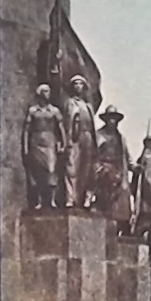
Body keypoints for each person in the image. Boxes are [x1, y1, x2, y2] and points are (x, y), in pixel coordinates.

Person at [22, 84, 66, 209]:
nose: (48, 93)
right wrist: (25, 147)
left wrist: (63, 143)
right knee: (37, 172)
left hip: (50, 142)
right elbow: (26, 130)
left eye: (49, 91)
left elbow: (61, 128)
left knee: (51, 170)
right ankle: (39, 201)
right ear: (40, 93)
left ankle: (52, 200)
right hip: (36, 142)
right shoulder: (33, 111)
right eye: (45, 91)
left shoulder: (54, 111)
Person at [94, 106, 134, 233]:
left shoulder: (121, 138)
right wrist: (99, 168)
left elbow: (126, 156)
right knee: (104, 200)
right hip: (104, 170)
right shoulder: (99, 135)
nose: (112, 121)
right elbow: (93, 154)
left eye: (115, 119)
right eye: (110, 118)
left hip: (119, 171)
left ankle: (117, 229)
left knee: (120, 205)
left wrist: (134, 167)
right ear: (105, 120)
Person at [62, 75, 97, 208]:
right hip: (74, 137)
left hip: (87, 138)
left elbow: (92, 127)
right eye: (75, 84)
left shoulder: (88, 106)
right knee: (72, 168)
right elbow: (67, 123)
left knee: (86, 170)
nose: (78, 86)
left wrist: (94, 145)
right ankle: (70, 198)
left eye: (80, 84)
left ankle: (83, 199)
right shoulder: (70, 103)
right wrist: (67, 141)